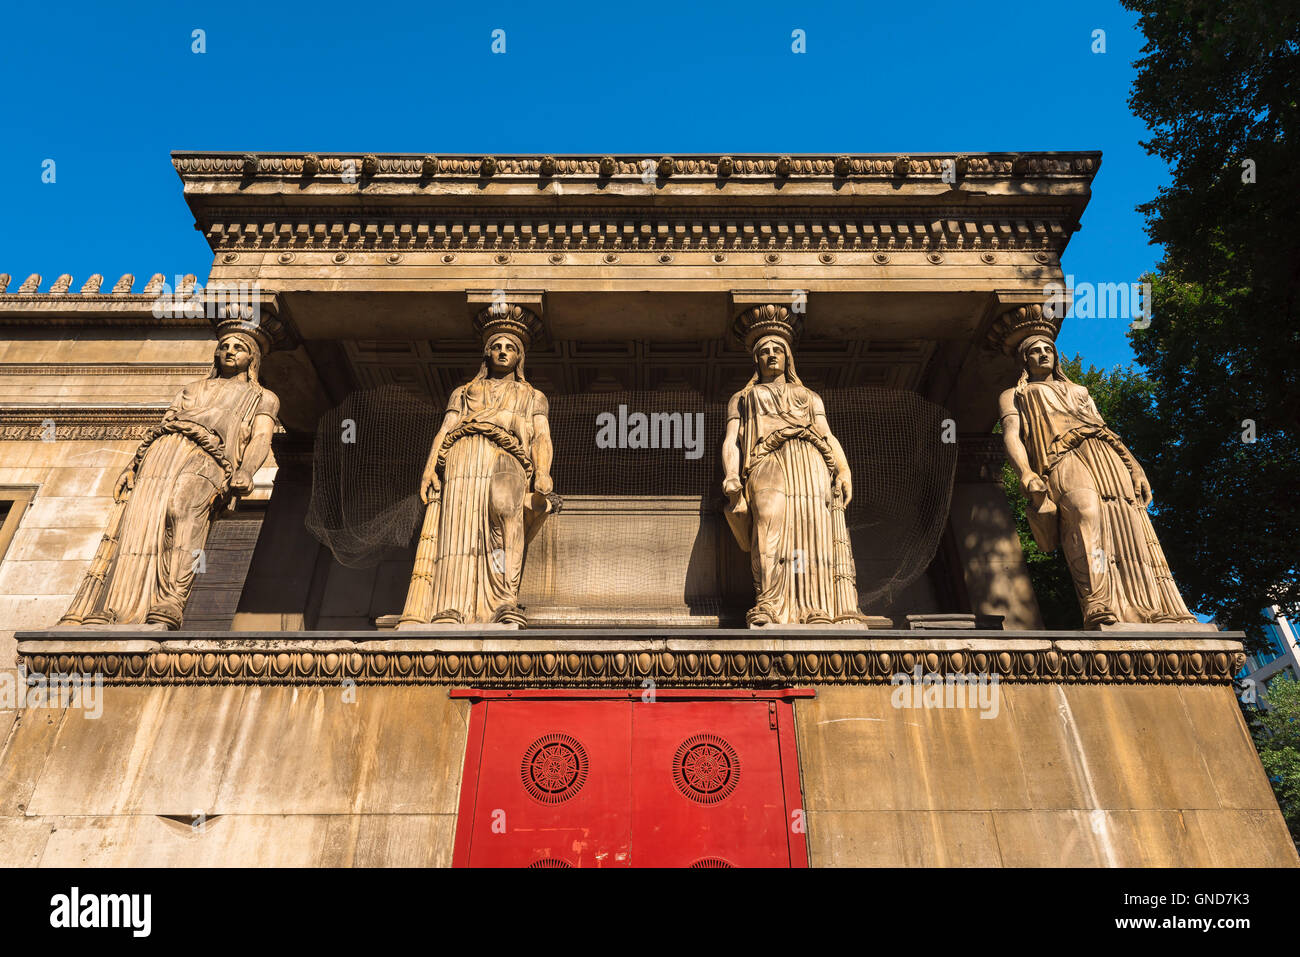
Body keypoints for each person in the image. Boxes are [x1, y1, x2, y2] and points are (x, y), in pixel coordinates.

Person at [61, 321, 279, 628]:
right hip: (164, 451)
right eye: (224, 346)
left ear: (252, 358)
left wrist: (246, 469)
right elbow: (161, 426)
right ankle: (120, 606)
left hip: (211, 456)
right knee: (142, 521)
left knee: (182, 509)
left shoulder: (262, 397)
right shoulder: (192, 389)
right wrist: (131, 466)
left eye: (239, 348)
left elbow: (260, 437)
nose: (229, 351)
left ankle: (172, 598)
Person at [999, 334, 1196, 627]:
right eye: (1035, 351)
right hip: (1059, 457)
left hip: (1106, 455)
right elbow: (1011, 436)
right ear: (1024, 361)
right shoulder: (1015, 394)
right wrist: (1025, 472)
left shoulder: (1080, 390)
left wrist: (1136, 467)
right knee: (1084, 514)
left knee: (1127, 525)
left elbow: (1105, 429)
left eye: (1048, 349)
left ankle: (1145, 607)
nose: (1043, 354)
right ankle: (1097, 602)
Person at [403, 311, 555, 626]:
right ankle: (451, 607)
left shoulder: (532, 396)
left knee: (503, 517)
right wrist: (429, 468)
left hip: (507, 455)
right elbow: (445, 429)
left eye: (509, 348)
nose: (502, 351)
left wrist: (543, 471)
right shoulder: (464, 391)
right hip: (462, 455)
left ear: (518, 356)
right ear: (487, 353)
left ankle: (502, 600)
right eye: (496, 346)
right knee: (458, 529)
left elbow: (541, 436)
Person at [721, 317, 863, 626]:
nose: (771, 354)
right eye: (764, 351)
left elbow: (826, 434)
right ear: (756, 360)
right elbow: (731, 441)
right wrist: (731, 475)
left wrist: (844, 470)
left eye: (778, 350)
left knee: (812, 532)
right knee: (768, 526)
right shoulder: (744, 398)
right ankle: (769, 603)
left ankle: (815, 607)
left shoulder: (808, 397)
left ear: (788, 357)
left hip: (810, 462)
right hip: (765, 460)